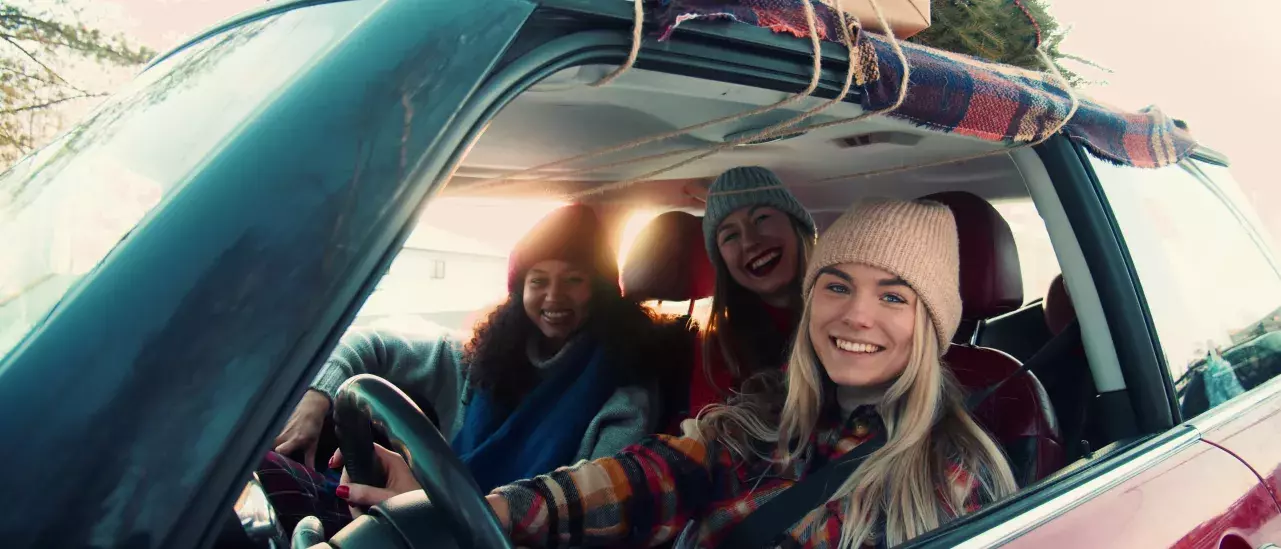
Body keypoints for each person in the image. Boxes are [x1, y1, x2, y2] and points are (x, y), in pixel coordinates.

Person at [341, 198, 1018, 549]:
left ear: (931, 325)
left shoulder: (951, 473)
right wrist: (486, 511)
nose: (857, 315)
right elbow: (650, 473)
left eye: (894, 296)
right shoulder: (762, 413)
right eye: (836, 286)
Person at [265, 204, 684, 533]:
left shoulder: (624, 392)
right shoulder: (483, 360)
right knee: (264, 475)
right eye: (538, 280)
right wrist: (317, 397)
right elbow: (370, 343)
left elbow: (593, 510)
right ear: (520, 289)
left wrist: (449, 515)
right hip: (425, 519)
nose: (554, 296)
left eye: (574, 279)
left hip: (494, 536)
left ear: (599, 289)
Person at [688, 166, 817, 421]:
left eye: (762, 219)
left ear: (796, 225)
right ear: (723, 262)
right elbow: (710, 438)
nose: (749, 241)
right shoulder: (720, 346)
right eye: (731, 236)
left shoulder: (849, 313)